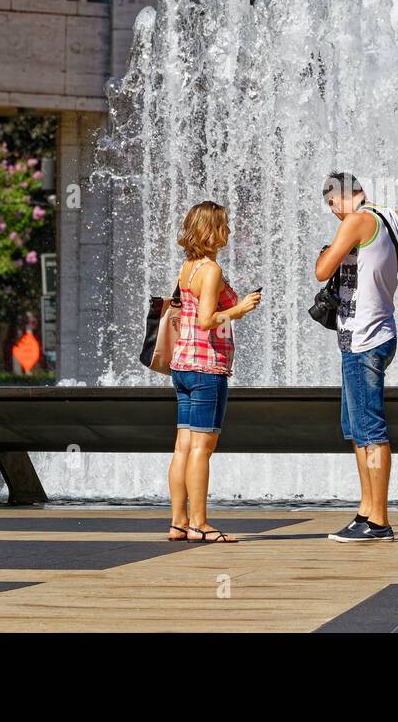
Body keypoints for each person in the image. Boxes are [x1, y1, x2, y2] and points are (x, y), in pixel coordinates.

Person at [315, 172, 398, 542]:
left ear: (338, 199)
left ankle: (379, 521)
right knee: (357, 431)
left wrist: (330, 250)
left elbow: (322, 270)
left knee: (370, 431)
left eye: (331, 206)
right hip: (376, 335)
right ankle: (365, 512)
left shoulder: (355, 221)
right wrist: (390, 253)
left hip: (364, 340)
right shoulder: (393, 217)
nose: (334, 213)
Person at [166, 201, 262, 543]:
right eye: (224, 226)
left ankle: (178, 522)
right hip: (207, 368)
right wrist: (239, 309)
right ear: (210, 230)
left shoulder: (187, 267)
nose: (229, 231)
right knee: (201, 449)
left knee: (182, 446)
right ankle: (199, 524)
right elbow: (208, 320)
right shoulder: (210, 271)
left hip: (182, 366)